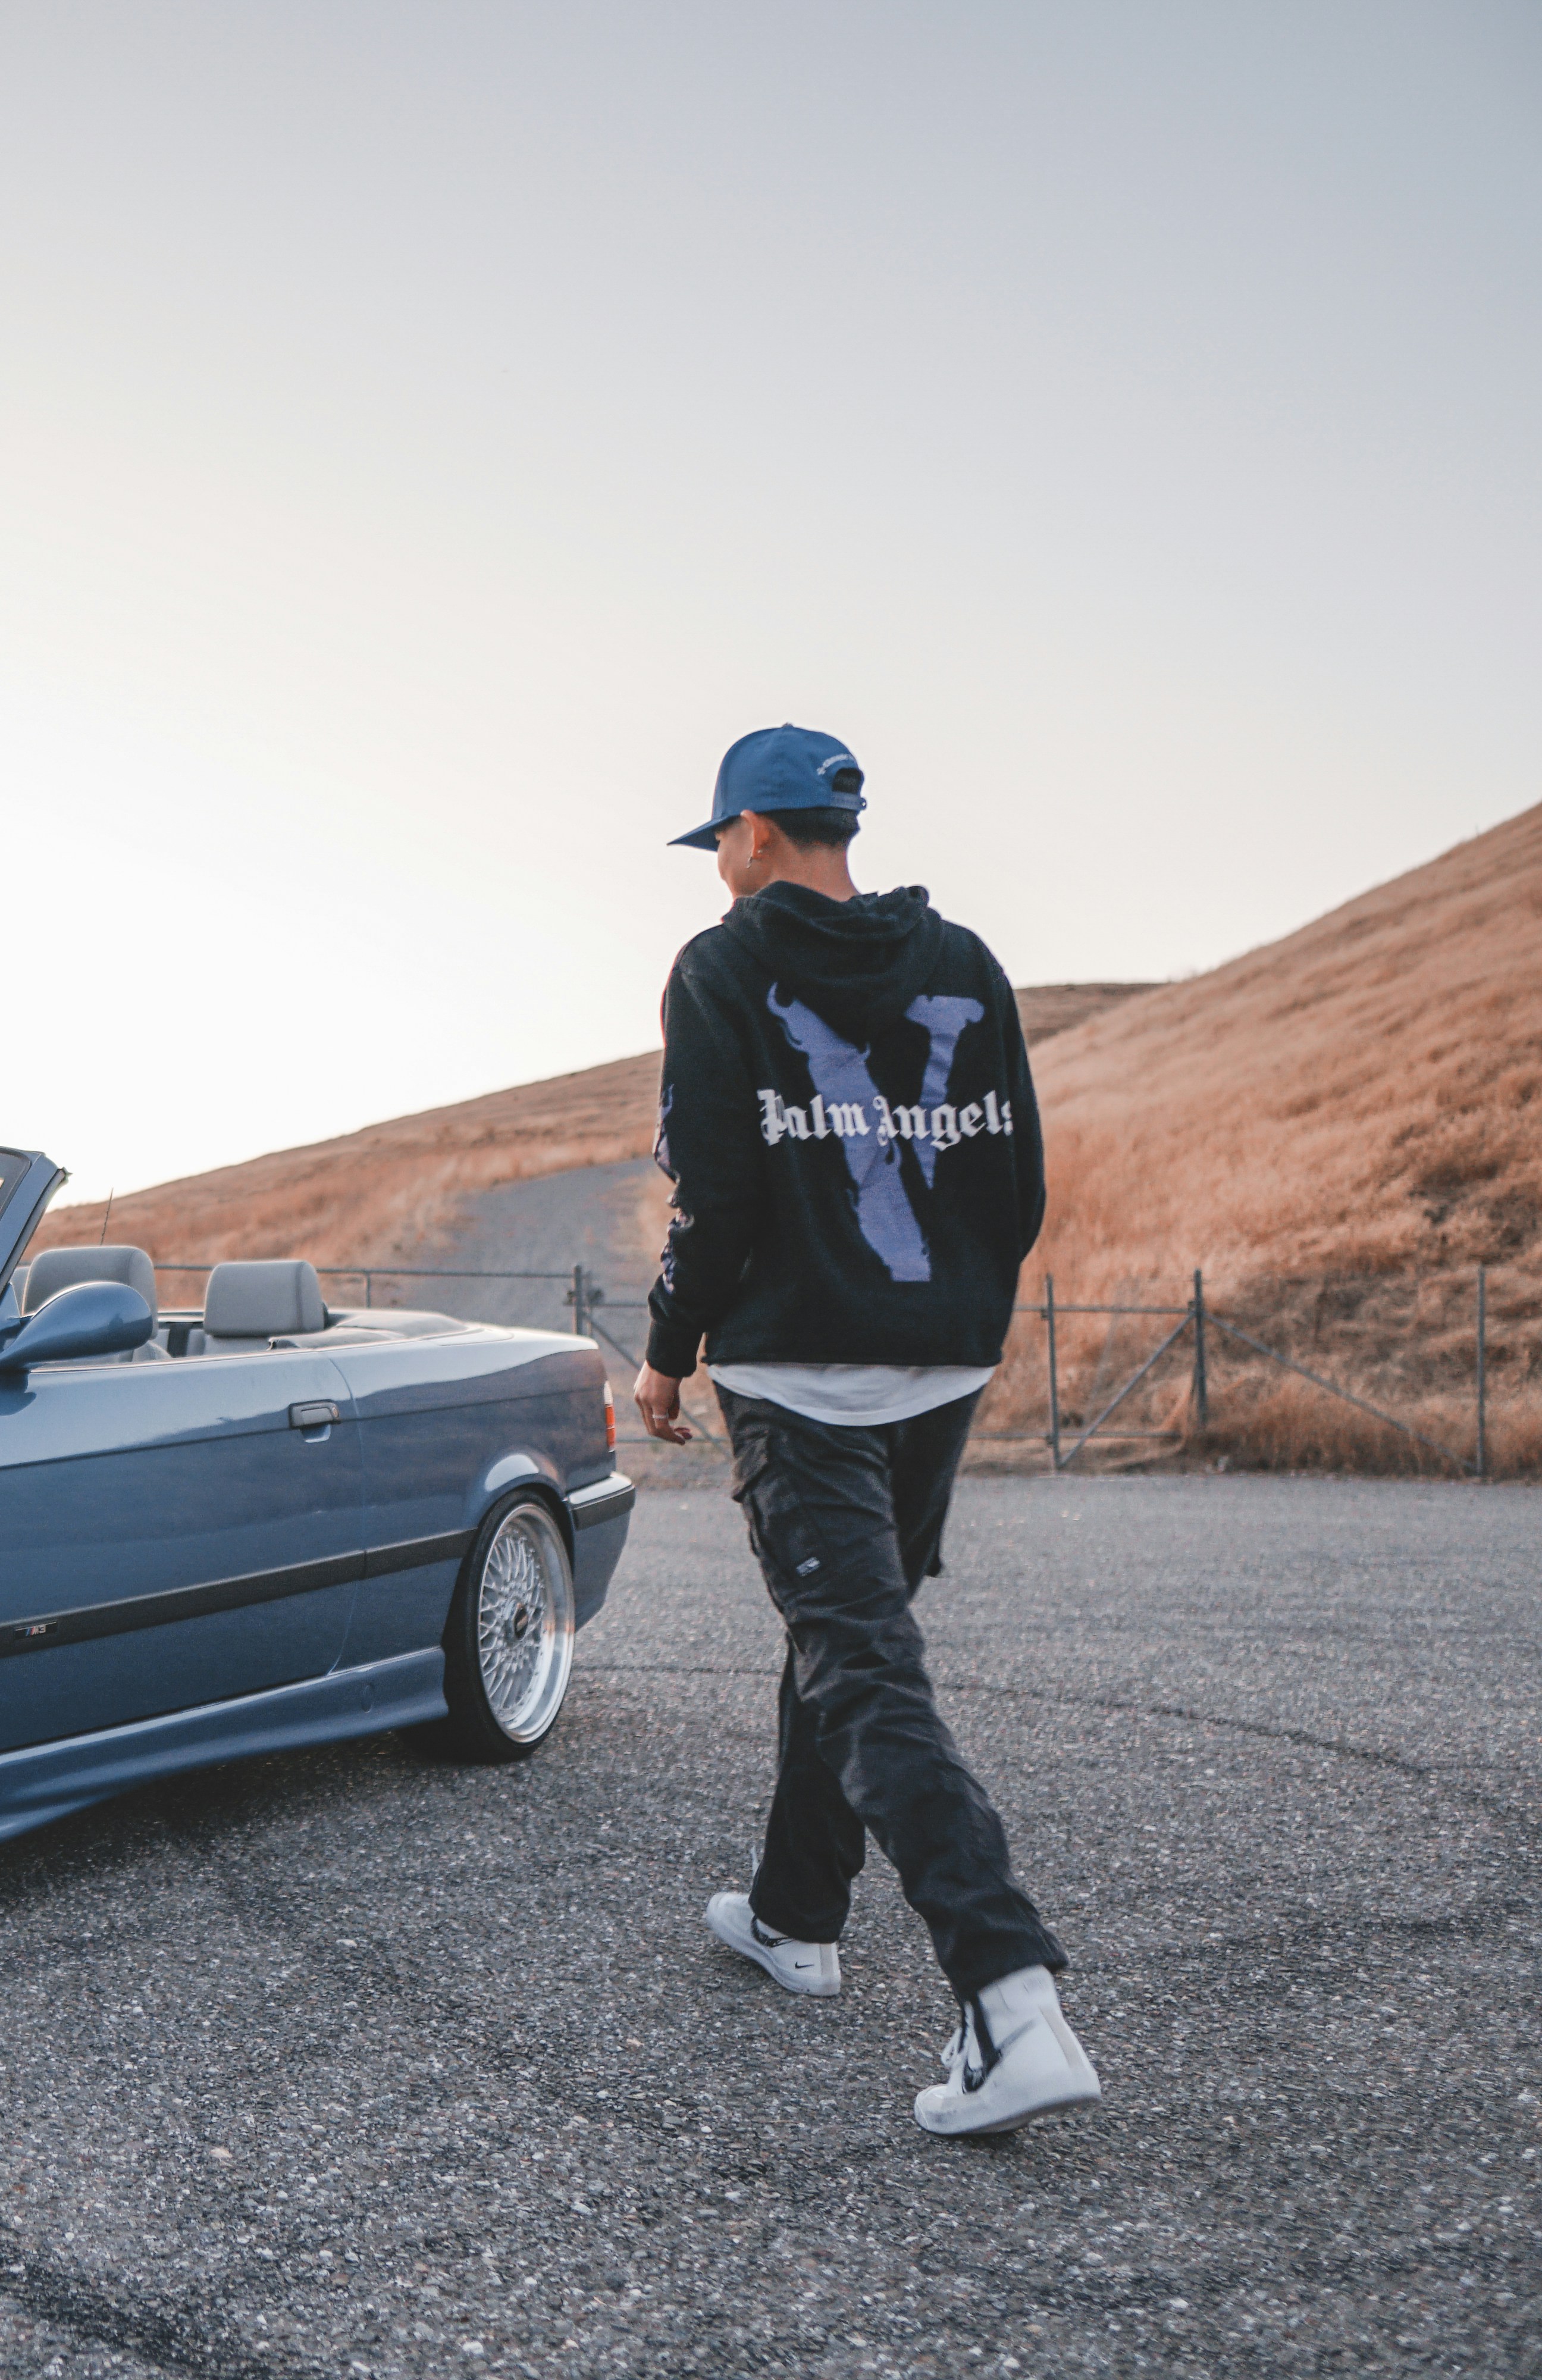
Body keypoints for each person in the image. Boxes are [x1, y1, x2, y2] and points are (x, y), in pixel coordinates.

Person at [632, 724, 1101, 2139]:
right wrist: (953, 1314)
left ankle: (1011, 1998)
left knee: (864, 1663)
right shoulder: (966, 964)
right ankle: (794, 1916)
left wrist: (667, 1357)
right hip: (936, 1367)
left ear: (758, 835)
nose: (718, 866)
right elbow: (1013, 1183)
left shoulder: (721, 967)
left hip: (802, 1376)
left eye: (719, 839)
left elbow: (713, 1191)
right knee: (843, 1638)